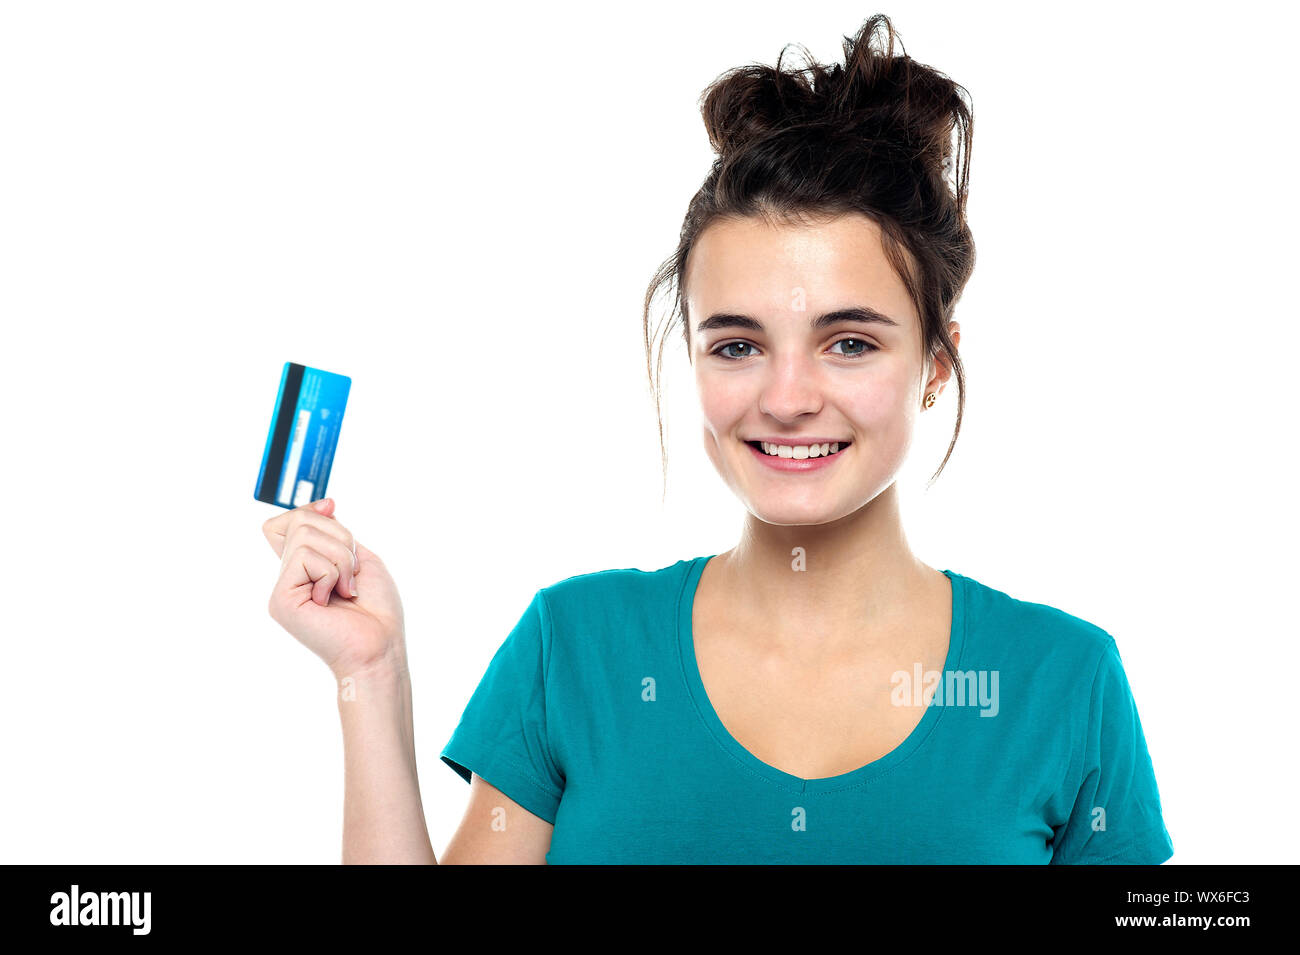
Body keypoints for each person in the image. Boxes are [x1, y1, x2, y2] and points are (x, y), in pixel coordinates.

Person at [261, 13, 1173, 864]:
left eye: (848, 342)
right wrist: (369, 673)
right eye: (737, 344)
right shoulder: (573, 648)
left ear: (936, 360)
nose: (786, 397)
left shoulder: (1066, 682)